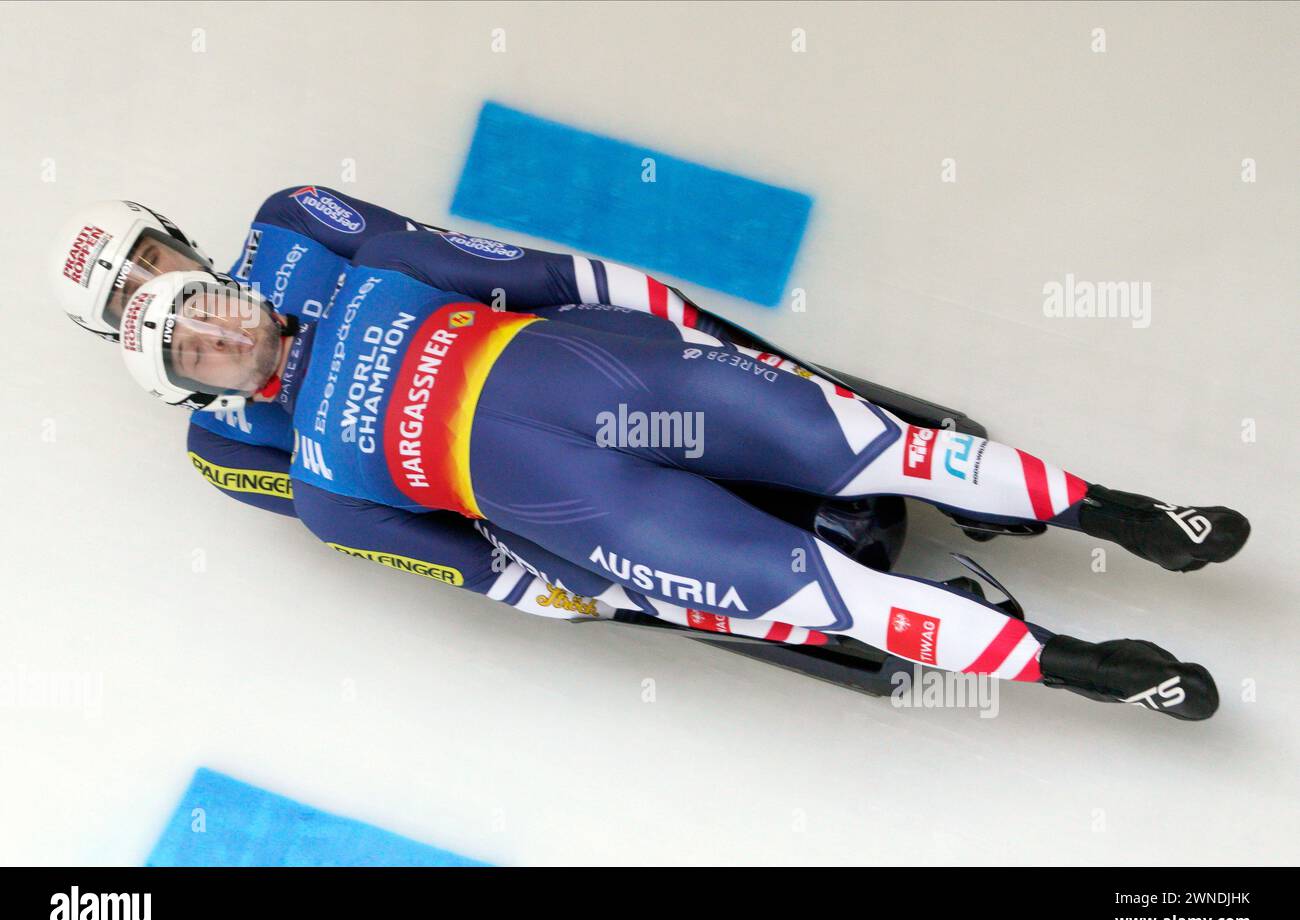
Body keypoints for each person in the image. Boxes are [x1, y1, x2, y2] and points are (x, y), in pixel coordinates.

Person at [112, 256, 1250, 720]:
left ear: (229, 283)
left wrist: (657, 311)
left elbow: (514, 271)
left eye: (203, 305)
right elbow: (470, 566)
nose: (214, 334)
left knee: (873, 445)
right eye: (190, 349)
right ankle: (1090, 670)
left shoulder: (364, 278)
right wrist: (592, 593)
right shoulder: (317, 487)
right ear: (193, 390)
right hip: (588, 509)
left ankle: (1127, 516)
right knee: (819, 595)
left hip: (615, 382)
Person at [50, 190, 909, 647]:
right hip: (487, 480)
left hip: (522, 361)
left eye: (148, 259)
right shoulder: (214, 441)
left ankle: (827, 425)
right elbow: (353, 516)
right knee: (576, 538)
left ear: (172, 235)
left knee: (640, 375)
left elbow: (438, 257)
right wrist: (522, 581)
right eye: (124, 294)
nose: (149, 286)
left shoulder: (294, 220)